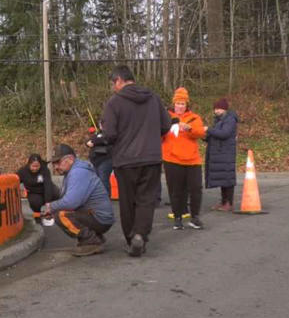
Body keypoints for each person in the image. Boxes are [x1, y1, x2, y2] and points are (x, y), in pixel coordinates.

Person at [101, 65, 171, 257]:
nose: (113, 88)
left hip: (125, 160)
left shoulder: (114, 103)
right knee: (146, 200)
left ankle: (131, 238)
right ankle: (140, 234)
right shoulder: (154, 98)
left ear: (119, 81)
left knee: (128, 201)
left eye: (113, 84)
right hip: (151, 158)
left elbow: (110, 134)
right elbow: (166, 125)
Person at [43, 144, 114, 257]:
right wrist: (53, 208)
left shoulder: (78, 172)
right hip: (97, 216)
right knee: (59, 211)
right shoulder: (73, 172)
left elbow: (72, 202)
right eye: (53, 163)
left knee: (61, 215)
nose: (55, 167)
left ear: (70, 159)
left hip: (100, 218)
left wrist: (51, 207)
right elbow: (67, 199)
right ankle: (96, 237)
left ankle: (91, 242)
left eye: (58, 162)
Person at [162, 87, 206, 230]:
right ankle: (177, 217)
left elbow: (200, 132)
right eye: (178, 103)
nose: (180, 106)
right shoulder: (166, 117)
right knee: (176, 190)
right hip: (172, 159)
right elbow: (158, 132)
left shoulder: (194, 118)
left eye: (182, 104)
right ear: (173, 104)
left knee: (196, 189)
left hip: (192, 160)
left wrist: (189, 128)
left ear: (187, 105)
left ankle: (195, 217)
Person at [205, 98, 238, 211]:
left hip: (227, 153)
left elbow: (224, 133)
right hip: (220, 153)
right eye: (215, 109)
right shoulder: (218, 120)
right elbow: (216, 134)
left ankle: (229, 202)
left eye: (219, 109)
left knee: (228, 178)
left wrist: (209, 130)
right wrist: (204, 136)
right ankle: (223, 201)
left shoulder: (230, 119)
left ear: (224, 109)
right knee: (223, 178)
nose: (217, 111)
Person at [16, 154, 59, 222]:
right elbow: (14, 181)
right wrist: (19, 191)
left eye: (37, 166)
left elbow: (48, 185)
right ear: (29, 164)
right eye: (33, 166)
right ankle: (37, 217)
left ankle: (56, 213)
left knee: (57, 192)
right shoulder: (23, 172)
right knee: (35, 202)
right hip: (33, 193)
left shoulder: (44, 170)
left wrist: (48, 202)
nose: (35, 168)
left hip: (45, 189)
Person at [86, 125, 113, 197]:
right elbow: (88, 141)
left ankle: (106, 198)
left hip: (105, 160)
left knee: (103, 179)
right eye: (100, 123)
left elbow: (104, 140)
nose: (101, 125)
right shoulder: (97, 134)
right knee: (96, 181)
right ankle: (98, 197)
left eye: (103, 123)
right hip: (95, 161)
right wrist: (91, 140)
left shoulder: (110, 133)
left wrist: (94, 141)